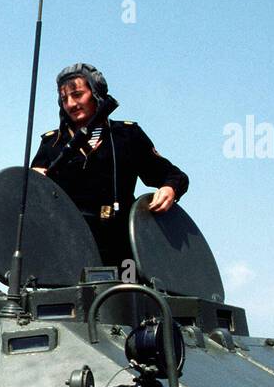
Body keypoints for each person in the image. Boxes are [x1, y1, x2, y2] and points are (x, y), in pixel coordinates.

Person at [32, 63, 189, 267]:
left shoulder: (126, 136)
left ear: (96, 93)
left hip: (122, 249)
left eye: (78, 94)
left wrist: (170, 188)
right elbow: (31, 199)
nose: (71, 104)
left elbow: (174, 175)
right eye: (64, 99)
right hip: (69, 248)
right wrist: (34, 181)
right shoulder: (52, 144)